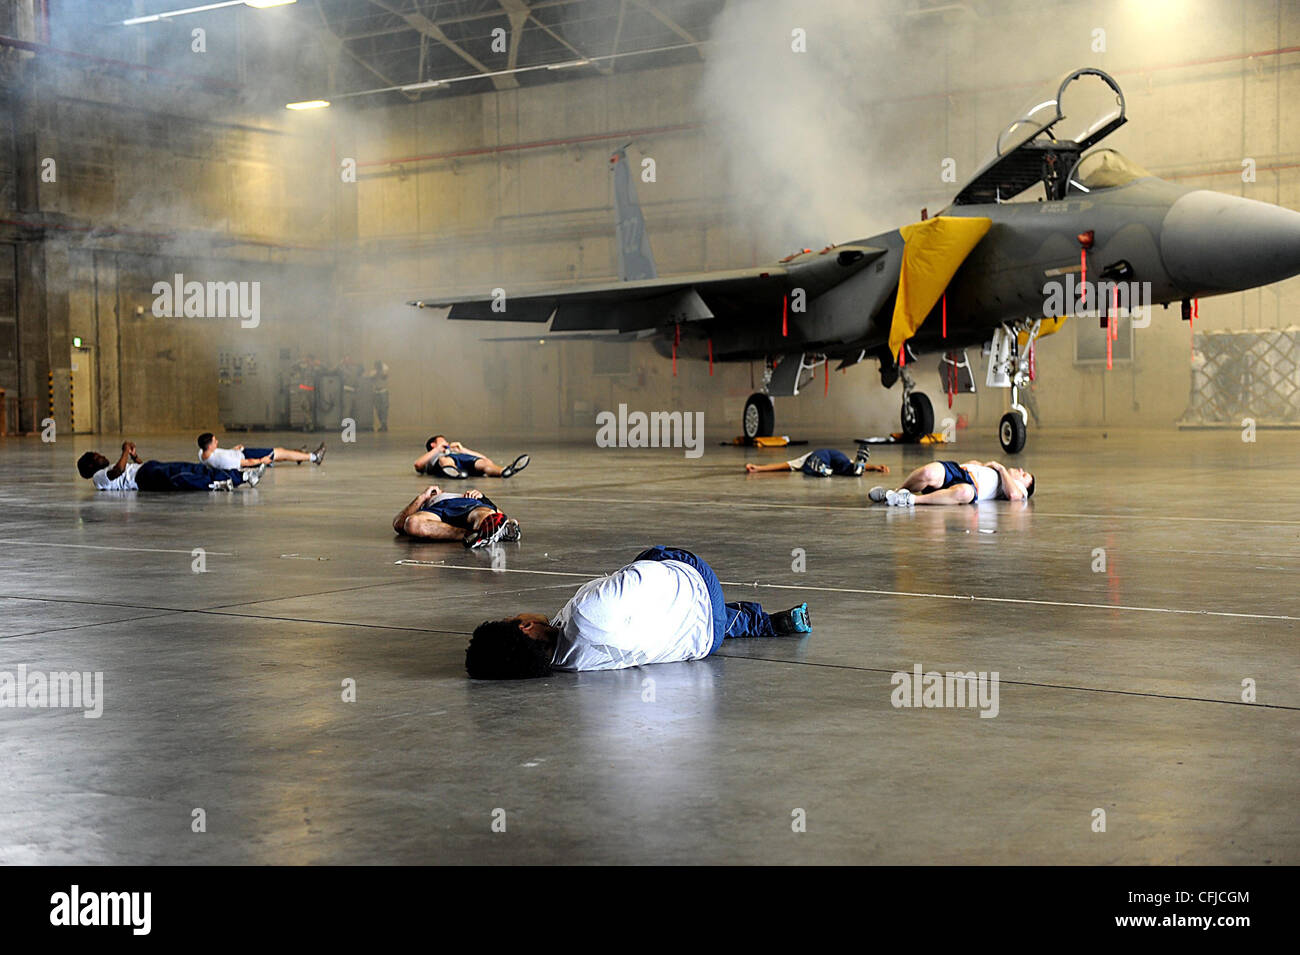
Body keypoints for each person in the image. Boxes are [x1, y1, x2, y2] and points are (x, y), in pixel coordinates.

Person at [464, 546, 813, 679]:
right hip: (701, 583)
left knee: (669, 618)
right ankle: (747, 616)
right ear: (525, 626)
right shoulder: (587, 611)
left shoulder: (567, 664)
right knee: (651, 554)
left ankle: (763, 622)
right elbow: (647, 573)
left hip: (706, 641)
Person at [77, 441, 262, 492]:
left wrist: (135, 457)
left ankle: (237, 476)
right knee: (183, 476)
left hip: (147, 470)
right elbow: (118, 471)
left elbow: (126, 469)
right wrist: (125, 449)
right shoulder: (98, 477)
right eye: (97, 456)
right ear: (92, 465)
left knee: (189, 469)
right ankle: (240, 478)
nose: (102, 456)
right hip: (145, 478)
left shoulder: (105, 471)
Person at [392, 484, 521, 549]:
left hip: (464, 504)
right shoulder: (423, 503)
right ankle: (481, 535)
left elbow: (501, 516)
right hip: (436, 511)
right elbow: (399, 524)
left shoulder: (460, 495)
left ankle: (486, 530)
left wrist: (484, 499)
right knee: (412, 523)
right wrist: (422, 497)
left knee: (481, 515)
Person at [869, 459, 1034, 506]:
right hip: (960, 471)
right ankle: (895, 492)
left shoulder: (1018, 489)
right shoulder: (997, 472)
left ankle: (909, 500)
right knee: (928, 472)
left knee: (965, 493)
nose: (1020, 470)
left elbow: (1013, 495)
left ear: (1025, 486)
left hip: (971, 486)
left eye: (1024, 474)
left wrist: (1001, 468)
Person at [414, 435, 529, 479]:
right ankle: (452, 470)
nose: (446, 442)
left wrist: (462, 449)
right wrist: (437, 449)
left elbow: (485, 459)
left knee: (483, 463)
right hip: (445, 461)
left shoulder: (456, 451)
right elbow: (418, 464)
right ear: (433, 444)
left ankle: (503, 471)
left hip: (464, 461)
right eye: (442, 440)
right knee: (445, 459)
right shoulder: (434, 455)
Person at [196, 432, 324, 469]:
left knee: (278, 454)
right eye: (215, 441)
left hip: (240, 453)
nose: (217, 442)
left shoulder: (202, 453)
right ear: (209, 446)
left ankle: (299, 455)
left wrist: (232, 450)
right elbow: (246, 463)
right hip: (247, 456)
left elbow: (221, 454)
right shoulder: (221, 460)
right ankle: (314, 457)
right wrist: (261, 461)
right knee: (279, 452)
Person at [745, 446, 889, 477]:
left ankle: (820, 468)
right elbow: (850, 461)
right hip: (838, 454)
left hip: (820, 455)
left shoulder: (805, 458)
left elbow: (784, 465)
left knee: (809, 467)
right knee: (849, 468)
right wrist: (875, 467)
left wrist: (759, 468)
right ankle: (859, 468)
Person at [367, 360, 389, 431]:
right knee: (378, 409)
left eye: (379, 365)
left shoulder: (384, 371)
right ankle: (382, 424)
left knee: (384, 409)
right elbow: (371, 377)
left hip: (383, 391)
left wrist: (383, 369)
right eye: (377, 365)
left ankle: (384, 424)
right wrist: (377, 371)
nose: (378, 367)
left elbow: (384, 376)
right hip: (376, 392)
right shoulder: (373, 372)